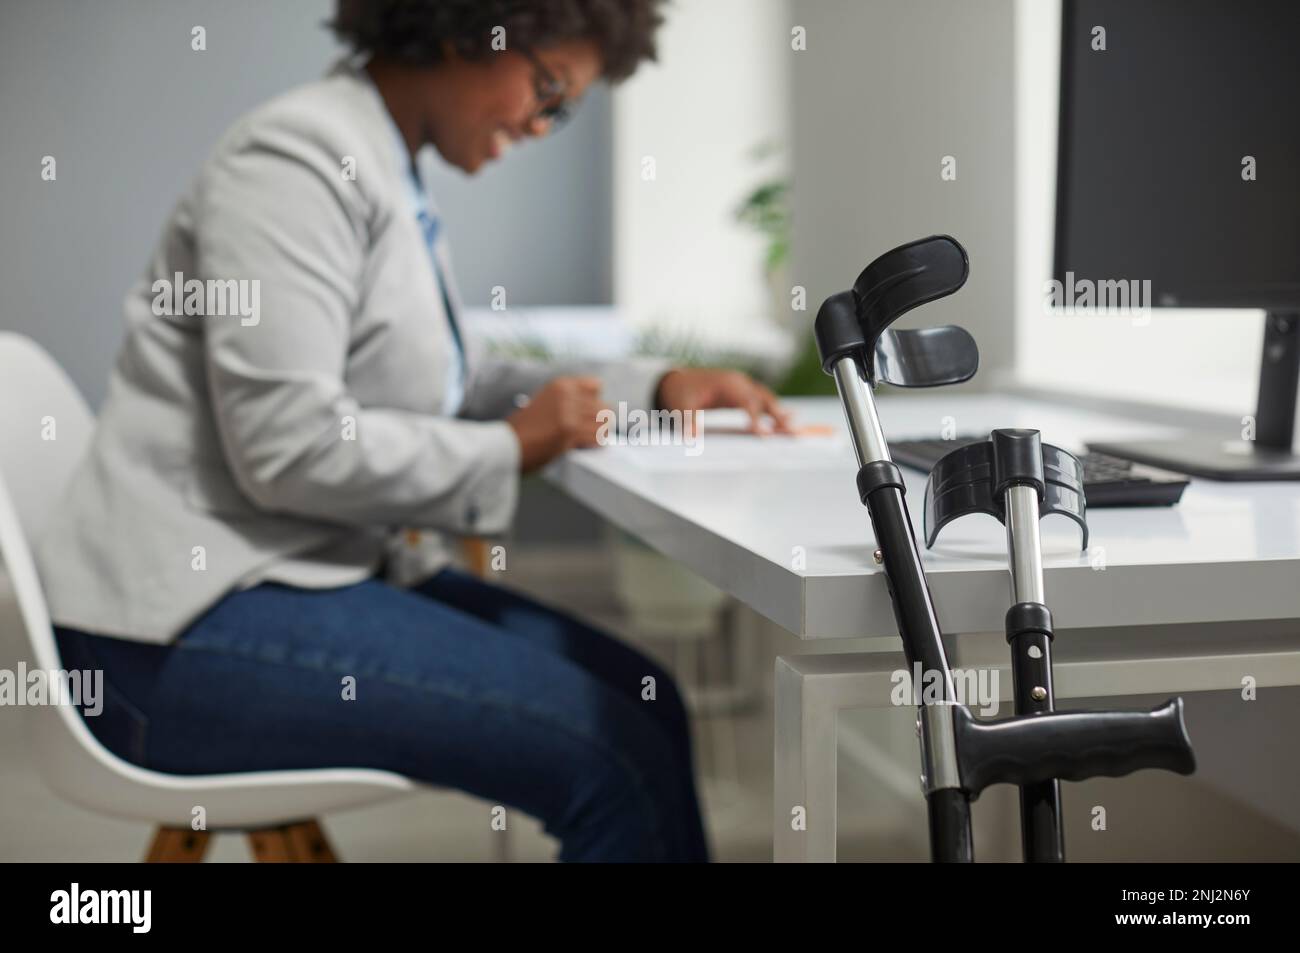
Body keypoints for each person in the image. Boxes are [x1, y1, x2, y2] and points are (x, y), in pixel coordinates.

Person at [35, 0, 791, 862]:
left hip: (288, 582)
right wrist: (516, 447)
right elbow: (289, 447)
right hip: (170, 641)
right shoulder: (296, 163)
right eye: (549, 90)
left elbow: (452, 381)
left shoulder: (381, 165)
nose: (546, 124)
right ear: (465, 26)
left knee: (646, 696)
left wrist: (655, 385)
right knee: (610, 749)